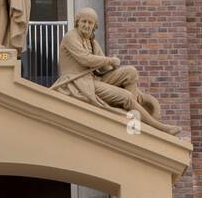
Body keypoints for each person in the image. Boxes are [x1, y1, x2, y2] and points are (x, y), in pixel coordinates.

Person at [50, 8, 180, 135]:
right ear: (77, 22)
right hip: (79, 83)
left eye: (90, 23)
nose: (86, 25)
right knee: (126, 96)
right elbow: (86, 60)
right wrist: (110, 60)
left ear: (94, 26)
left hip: (94, 79)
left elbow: (104, 68)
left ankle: (134, 113)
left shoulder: (92, 42)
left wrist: (113, 66)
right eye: (84, 21)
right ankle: (159, 127)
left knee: (131, 72)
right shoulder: (70, 36)